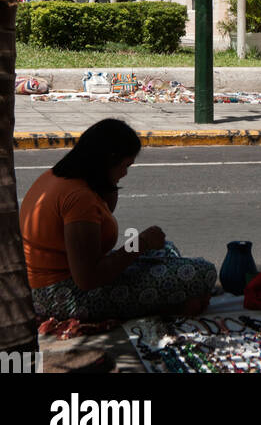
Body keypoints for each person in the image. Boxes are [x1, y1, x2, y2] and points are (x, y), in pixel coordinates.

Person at [19, 118, 216, 322]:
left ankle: (174, 299)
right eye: (125, 165)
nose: (125, 173)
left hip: (56, 284)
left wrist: (109, 187)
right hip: (62, 294)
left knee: (166, 249)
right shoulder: (80, 199)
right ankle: (171, 304)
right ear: (109, 160)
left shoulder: (57, 177)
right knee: (205, 272)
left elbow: (102, 224)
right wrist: (140, 243)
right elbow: (88, 278)